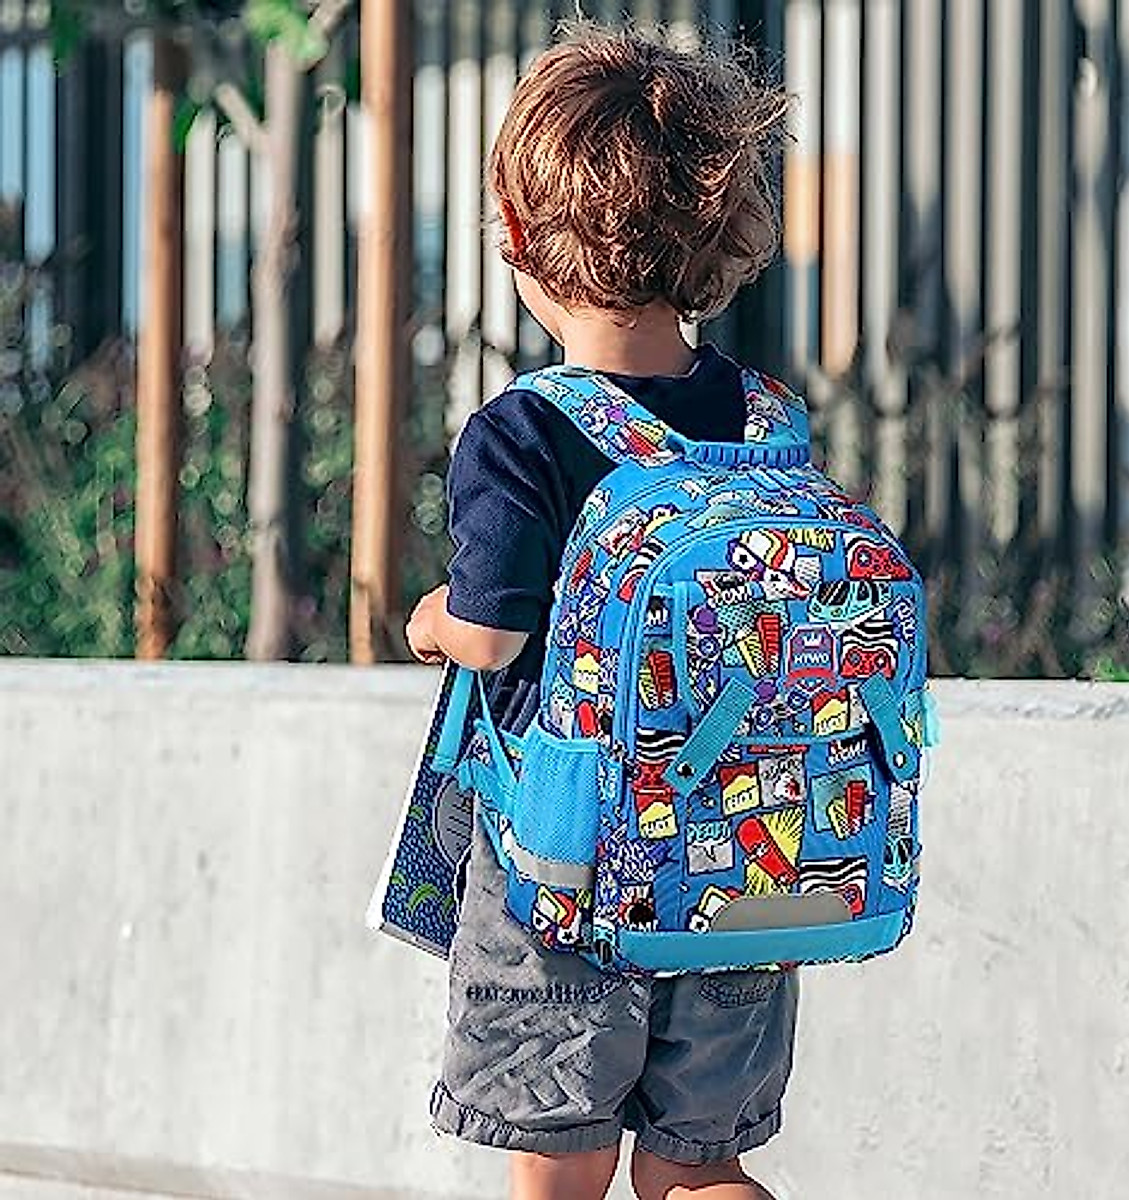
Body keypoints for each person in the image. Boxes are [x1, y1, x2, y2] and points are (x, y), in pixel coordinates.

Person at [406, 24, 797, 1200]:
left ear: (518, 235)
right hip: (744, 859)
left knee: (562, 1162)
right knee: (696, 1169)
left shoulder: (525, 432)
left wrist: (431, 620)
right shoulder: (766, 420)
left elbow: (490, 633)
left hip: (565, 867)